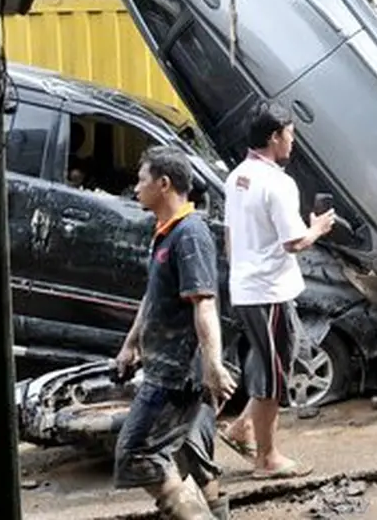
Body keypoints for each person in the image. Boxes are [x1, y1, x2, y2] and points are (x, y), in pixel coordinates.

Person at [113, 146, 236, 520]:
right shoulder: (166, 232)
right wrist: (131, 343)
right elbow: (154, 295)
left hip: (177, 372)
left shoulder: (190, 235)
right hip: (168, 363)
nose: (136, 188)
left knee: (136, 452)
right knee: (188, 450)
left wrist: (213, 365)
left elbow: (204, 303)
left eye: (142, 180)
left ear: (164, 184)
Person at [218, 102, 335, 479]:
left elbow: (230, 236)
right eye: (290, 134)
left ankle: (241, 429)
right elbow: (294, 243)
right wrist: (318, 227)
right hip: (268, 291)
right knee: (271, 378)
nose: (293, 141)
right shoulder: (279, 183)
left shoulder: (237, 177)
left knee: (269, 365)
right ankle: (267, 459)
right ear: (274, 137)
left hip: (247, 286)